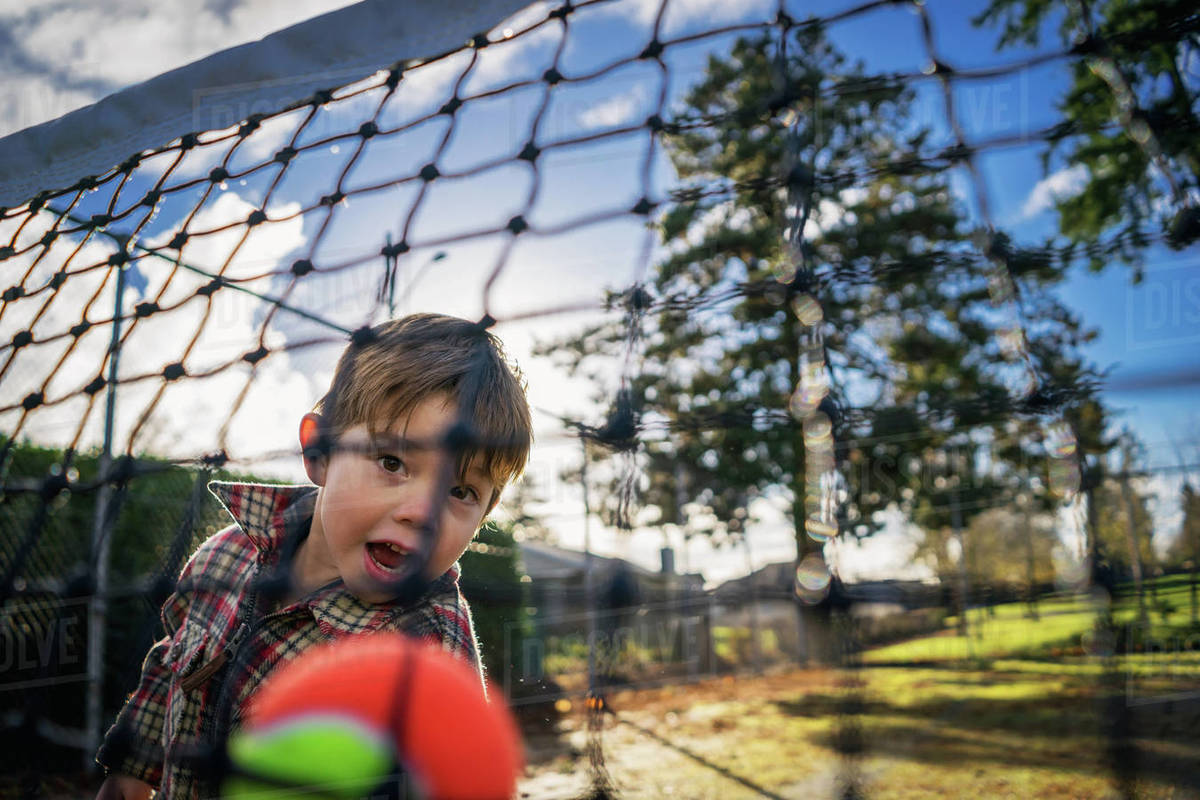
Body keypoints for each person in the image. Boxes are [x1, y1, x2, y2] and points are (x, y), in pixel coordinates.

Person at [95, 313, 533, 800]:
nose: (422, 514)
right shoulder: (222, 558)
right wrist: (128, 774)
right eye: (392, 463)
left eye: (461, 491)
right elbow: (169, 666)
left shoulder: (431, 642)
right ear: (319, 452)